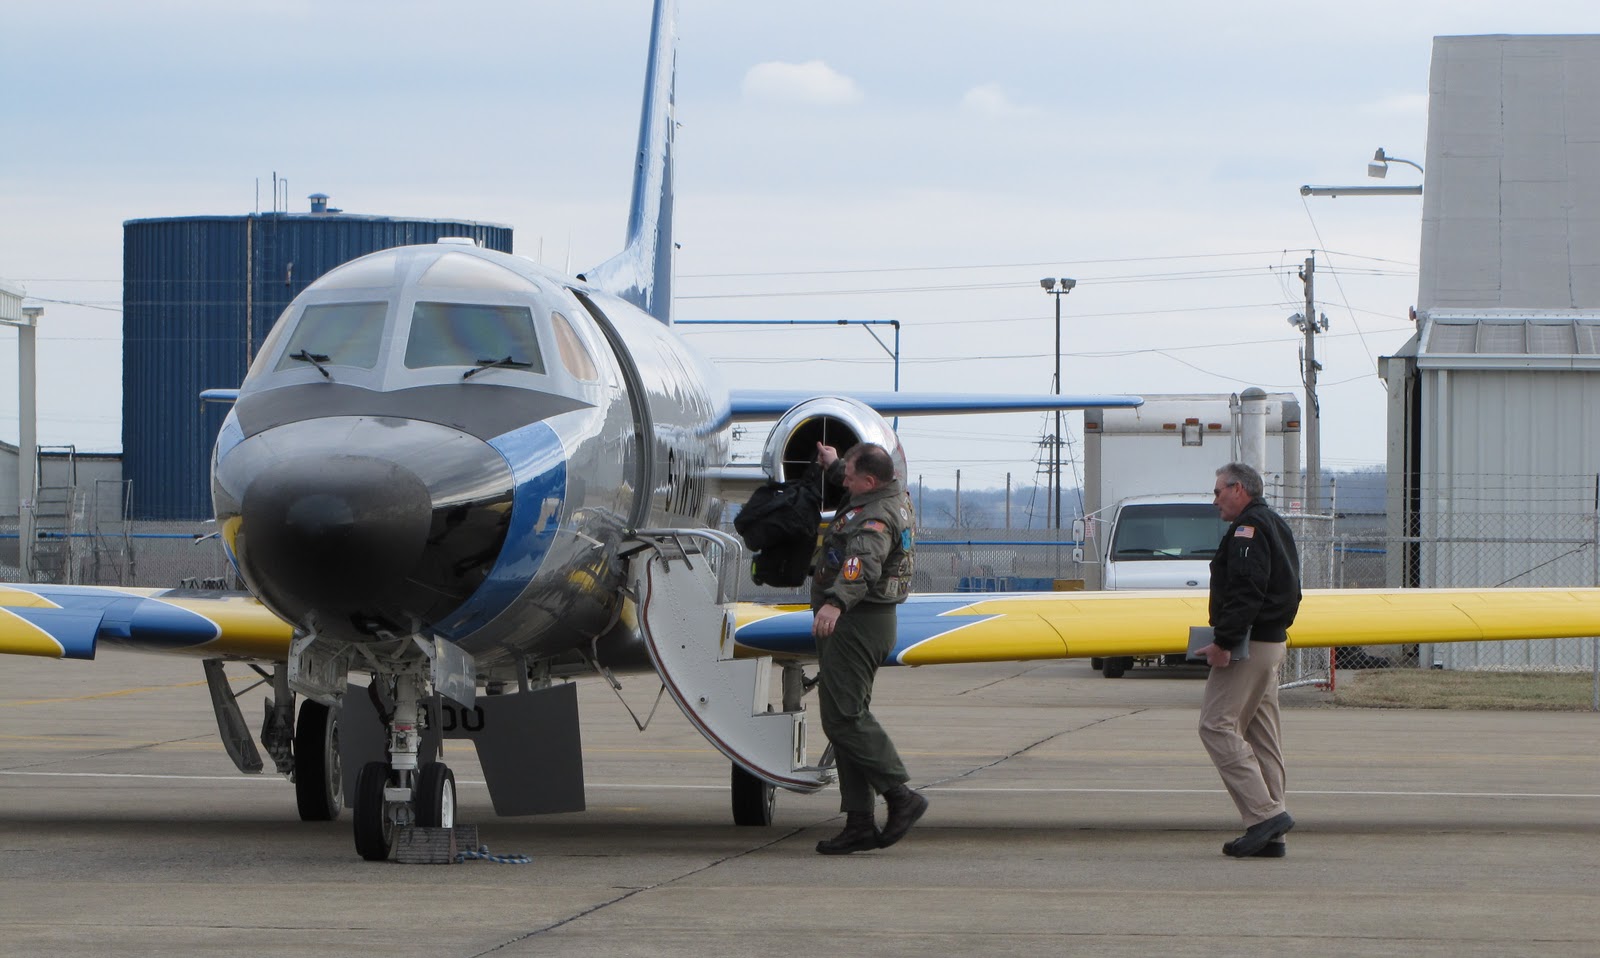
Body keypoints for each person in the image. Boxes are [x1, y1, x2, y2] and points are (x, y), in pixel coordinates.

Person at [809, 441, 926, 855]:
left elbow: (863, 564)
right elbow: (860, 478)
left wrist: (836, 603)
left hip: (858, 620)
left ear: (870, 481)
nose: (843, 480)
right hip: (866, 619)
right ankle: (859, 821)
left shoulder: (875, 517)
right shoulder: (889, 493)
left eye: (849, 475)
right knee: (847, 720)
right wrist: (836, 461)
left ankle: (900, 795)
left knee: (843, 718)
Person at [1195, 462, 1303, 859]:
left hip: (1250, 645)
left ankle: (1265, 816)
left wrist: (1224, 641)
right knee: (1261, 737)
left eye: (1218, 491)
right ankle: (1272, 837)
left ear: (1238, 489)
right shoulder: (1275, 523)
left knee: (1215, 726)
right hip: (1271, 642)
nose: (1215, 500)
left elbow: (1246, 590)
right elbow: (1292, 589)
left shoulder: (1248, 531)